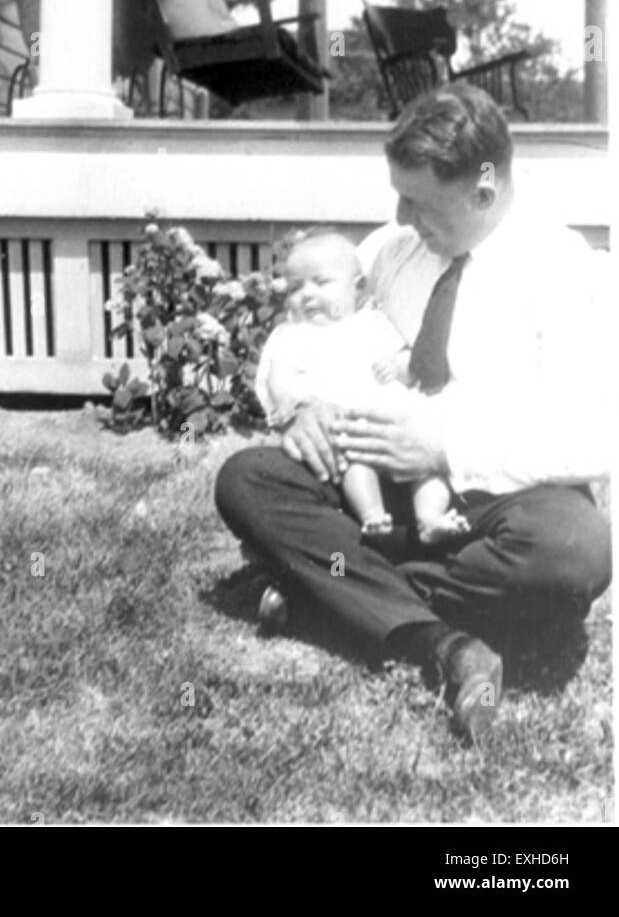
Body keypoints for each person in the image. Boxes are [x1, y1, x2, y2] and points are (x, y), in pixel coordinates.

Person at [215, 84, 611, 744]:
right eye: (397, 196)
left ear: (481, 188)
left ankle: (324, 588)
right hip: (370, 481)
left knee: (572, 557)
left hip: (491, 491)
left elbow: (595, 432)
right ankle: (446, 644)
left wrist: (445, 450)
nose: (400, 214)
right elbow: (302, 339)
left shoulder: (564, 270)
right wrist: (296, 409)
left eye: (418, 200)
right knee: (246, 480)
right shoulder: (389, 250)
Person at [255, 229, 469, 543]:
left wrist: (397, 367)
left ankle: (430, 518)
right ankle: (373, 517)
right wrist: (294, 405)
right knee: (356, 463)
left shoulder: (372, 322)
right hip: (348, 427)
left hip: (397, 424)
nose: (308, 295)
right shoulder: (292, 335)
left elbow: (408, 363)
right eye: (296, 288)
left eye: (321, 282)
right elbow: (277, 381)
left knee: (429, 469)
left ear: (358, 289)